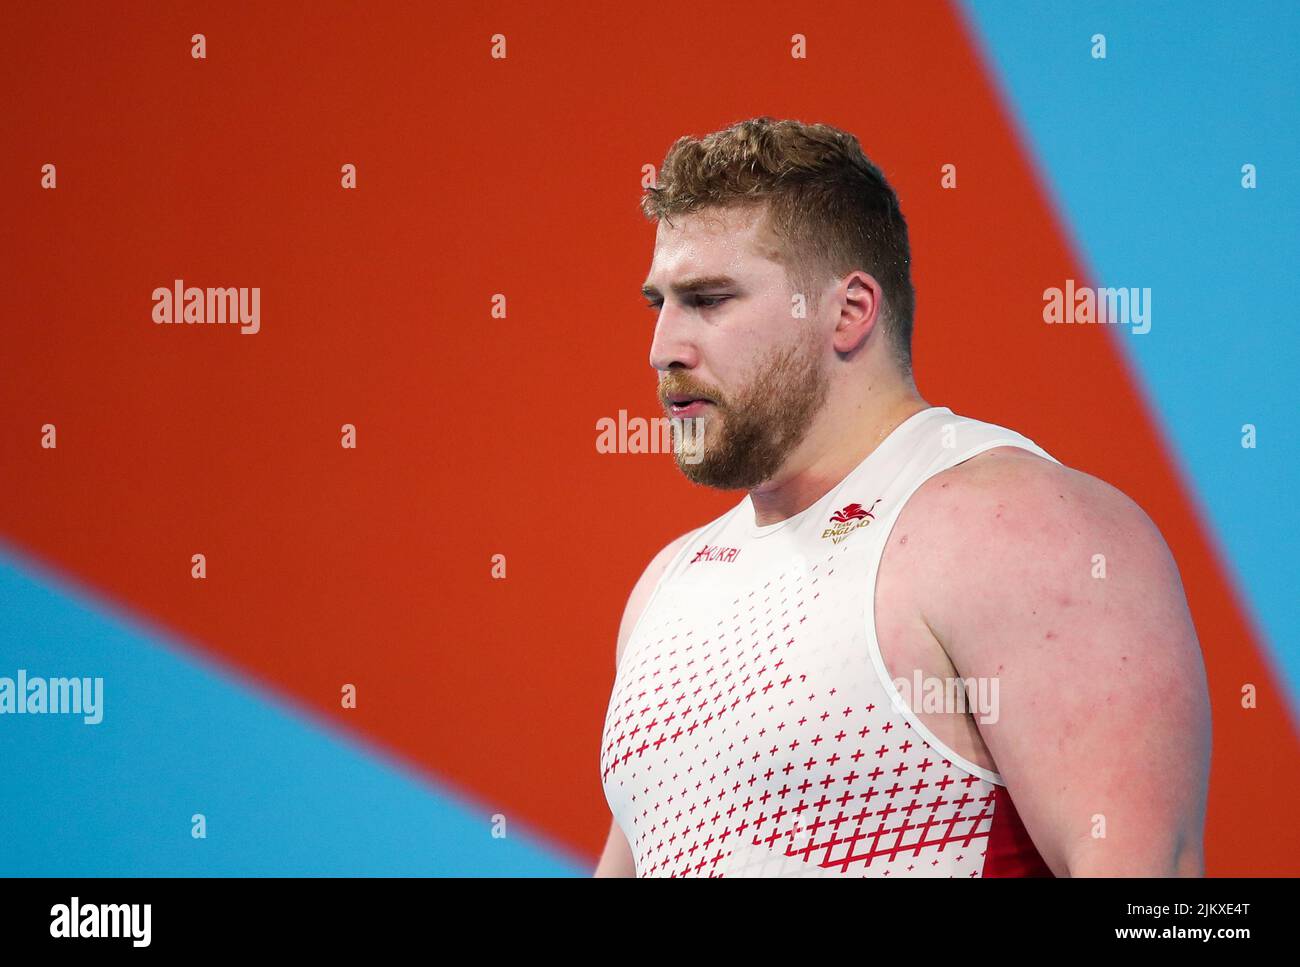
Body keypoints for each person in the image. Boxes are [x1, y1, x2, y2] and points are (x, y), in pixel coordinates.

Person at [593, 117, 1210, 878]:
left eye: (708, 299)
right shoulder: (667, 589)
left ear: (849, 311)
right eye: (659, 302)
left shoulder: (1017, 525)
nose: (663, 348)